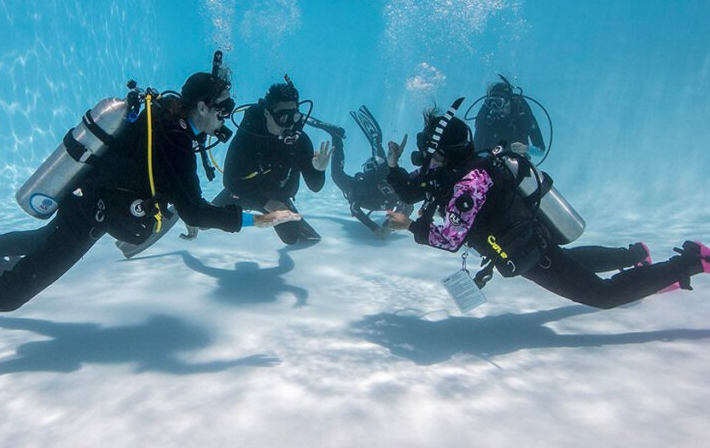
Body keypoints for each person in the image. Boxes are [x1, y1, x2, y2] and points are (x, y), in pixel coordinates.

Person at [0, 69, 299, 312]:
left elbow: (173, 191)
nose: (227, 114)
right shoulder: (175, 139)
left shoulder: (164, 115)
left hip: (86, 198)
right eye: (222, 107)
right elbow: (195, 212)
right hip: (90, 214)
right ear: (202, 107)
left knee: (41, 241)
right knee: (8, 296)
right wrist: (262, 220)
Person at [384, 101, 709, 309]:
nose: (426, 160)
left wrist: (411, 226)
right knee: (564, 260)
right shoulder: (452, 171)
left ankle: (694, 262)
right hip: (529, 239)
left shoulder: (469, 182)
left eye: (431, 152)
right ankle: (636, 255)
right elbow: (417, 189)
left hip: (528, 251)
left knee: (603, 296)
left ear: (447, 152)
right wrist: (393, 165)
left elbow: (450, 239)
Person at [212, 79, 332, 245]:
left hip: (277, 195)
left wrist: (319, 169)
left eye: (295, 117)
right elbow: (230, 180)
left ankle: (292, 218)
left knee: (291, 238)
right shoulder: (248, 137)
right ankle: (188, 207)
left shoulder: (300, 141)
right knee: (205, 222)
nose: (290, 125)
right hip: (243, 191)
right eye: (283, 118)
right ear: (267, 113)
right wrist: (266, 203)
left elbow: (315, 186)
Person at [308, 105, 412, 238]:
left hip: (377, 181)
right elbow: (355, 209)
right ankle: (336, 137)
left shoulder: (391, 179)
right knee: (337, 175)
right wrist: (374, 227)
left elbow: (409, 204)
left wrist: (388, 225)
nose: (387, 187)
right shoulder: (361, 188)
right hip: (361, 188)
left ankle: (371, 140)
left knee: (382, 166)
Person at [473, 77, 546, 158]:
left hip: (514, 163)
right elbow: (475, 149)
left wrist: (526, 148)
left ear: (508, 102)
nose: (494, 107)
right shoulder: (487, 120)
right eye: (490, 102)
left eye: (498, 102)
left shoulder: (523, 117)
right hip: (486, 162)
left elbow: (541, 151)